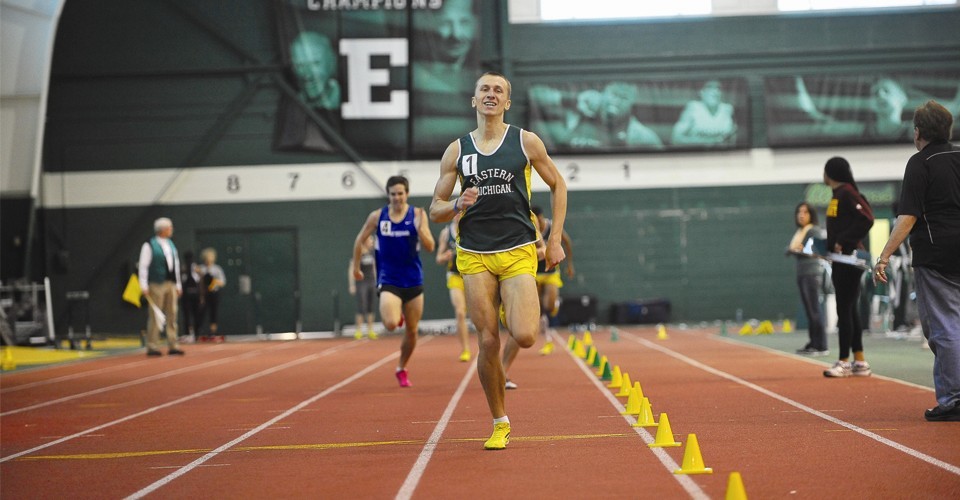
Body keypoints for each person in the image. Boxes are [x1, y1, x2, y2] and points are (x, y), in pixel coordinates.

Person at [429, 72, 568, 450]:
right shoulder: (456, 151)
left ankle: (511, 305)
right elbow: (435, 208)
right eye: (484, 90)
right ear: (474, 100)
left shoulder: (525, 142)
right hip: (473, 255)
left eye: (499, 91)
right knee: (488, 342)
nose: (491, 95)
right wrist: (457, 203)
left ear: (507, 102)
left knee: (523, 334)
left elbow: (558, 184)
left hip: (518, 249)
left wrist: (553, 241)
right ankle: (500, 421)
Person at [874, 100, 960, 421]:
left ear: (918, 132)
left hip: (937, 253)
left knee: (944, 327)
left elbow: (908, 217)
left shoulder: (920, 162)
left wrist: (884, 256)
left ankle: (953, 399)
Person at [353, 176, 435, 388]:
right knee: (390, 324)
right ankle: (396, 313)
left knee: (412, 331)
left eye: (400, 193)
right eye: (393, 194)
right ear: (388, 195)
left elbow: (430, 246)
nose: (397, 197)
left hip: (413, 279)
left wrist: (420, 229)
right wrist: (355, 268)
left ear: (407, 194)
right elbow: (359, 240)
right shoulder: (378, 216)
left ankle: (401, 367)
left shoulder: (417, 214)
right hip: (389, 278)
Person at [501, 205, 574, 389]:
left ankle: (550, 305)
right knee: (514, 323)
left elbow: (564, 242)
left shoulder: (541, 225)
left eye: (538, 220)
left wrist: (568, 263)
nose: (538, 222)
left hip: (545, 271)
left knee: (547, 305)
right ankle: (501, 373)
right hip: (529, 273)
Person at [822, 157, 874, 377]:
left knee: (844, 309)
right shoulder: (837, 195)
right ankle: (859, 361)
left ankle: (844, 361)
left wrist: (843, 240)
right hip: (840, 259)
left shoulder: (847, 192)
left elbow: (867, 218)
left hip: (849, 260)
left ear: (830, 173)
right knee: (849, 308)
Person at [138, 217, 185, 357]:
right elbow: (143, 266)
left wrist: (178, 284)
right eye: (169, 227)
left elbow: (175, 265)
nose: (171, 230)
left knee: (172, 315)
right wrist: (143, 285)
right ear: (163, 230)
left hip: (170, 283)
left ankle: (173, 344)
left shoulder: (171, 244)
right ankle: (152, 346)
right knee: (155, 316)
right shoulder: (149, 245)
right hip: (156, 284)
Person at [786, 202, 829, 356]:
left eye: (805, 212)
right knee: (809, 310)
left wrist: (798, 250)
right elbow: (789, 249)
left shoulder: (814, 231)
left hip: (812, 273)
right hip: (802, 273)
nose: (801, 215)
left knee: (814, 309)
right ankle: (813, 342)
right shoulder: (800, 231)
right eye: (799, 211)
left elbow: (817, 250)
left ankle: (821, 345)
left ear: (811, 214)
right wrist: (794, 250)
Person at [436, 214, 472, 362]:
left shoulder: (472, 228)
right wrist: (445, 257)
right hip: (454, 276)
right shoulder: (446, 233)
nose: (458, 215)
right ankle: (465, 349)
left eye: (462, 212)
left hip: (471, 274)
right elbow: (438, 258)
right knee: (460, 312)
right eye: (456, 212)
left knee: (478, 314)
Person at [670, 80, 738, 146]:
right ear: (701, 92)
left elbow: (733, 139)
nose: (715, 92)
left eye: (718, 88)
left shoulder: (727, 109)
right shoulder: (693, 108)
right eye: (709, 87)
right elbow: (676, 139)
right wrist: (709, 142)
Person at [290, 31, 341, 110]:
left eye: (315, 63)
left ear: (331, 63)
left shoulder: (351, 99)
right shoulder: (292, 105)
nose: (307, 74)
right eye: (299, 65)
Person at [348, 235, 378, 340]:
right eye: (370, 240)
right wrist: (352, 285)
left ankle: (370, 330)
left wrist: (377, 281)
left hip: (371, 282)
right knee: (361, 306)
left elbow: (374, 267)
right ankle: (359, 331)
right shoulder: (358, 252)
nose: (372, 242)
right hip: (361, 283)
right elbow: (352, 268)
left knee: (371, 306)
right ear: (365, 241)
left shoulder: (372, 253)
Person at [197, 248, 226, 342]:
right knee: (202, 311)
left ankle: (213, 332)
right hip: (203, 294)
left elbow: (223, 282)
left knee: (214, 312)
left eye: (210, 258)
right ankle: (200, 330)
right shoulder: (201, 268)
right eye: (206, 258)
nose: (208, 260)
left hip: (214, 293)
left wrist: (214, 282)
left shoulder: (217, 269)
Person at [179, 251, 202, 343]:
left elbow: (200, 282)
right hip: (186, 295)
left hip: (195, 294)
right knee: (186, 315)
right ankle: (188, 333)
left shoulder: (196, 269)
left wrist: (201, 296)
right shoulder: (183, 269)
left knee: (196, 315)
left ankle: (196, 333)